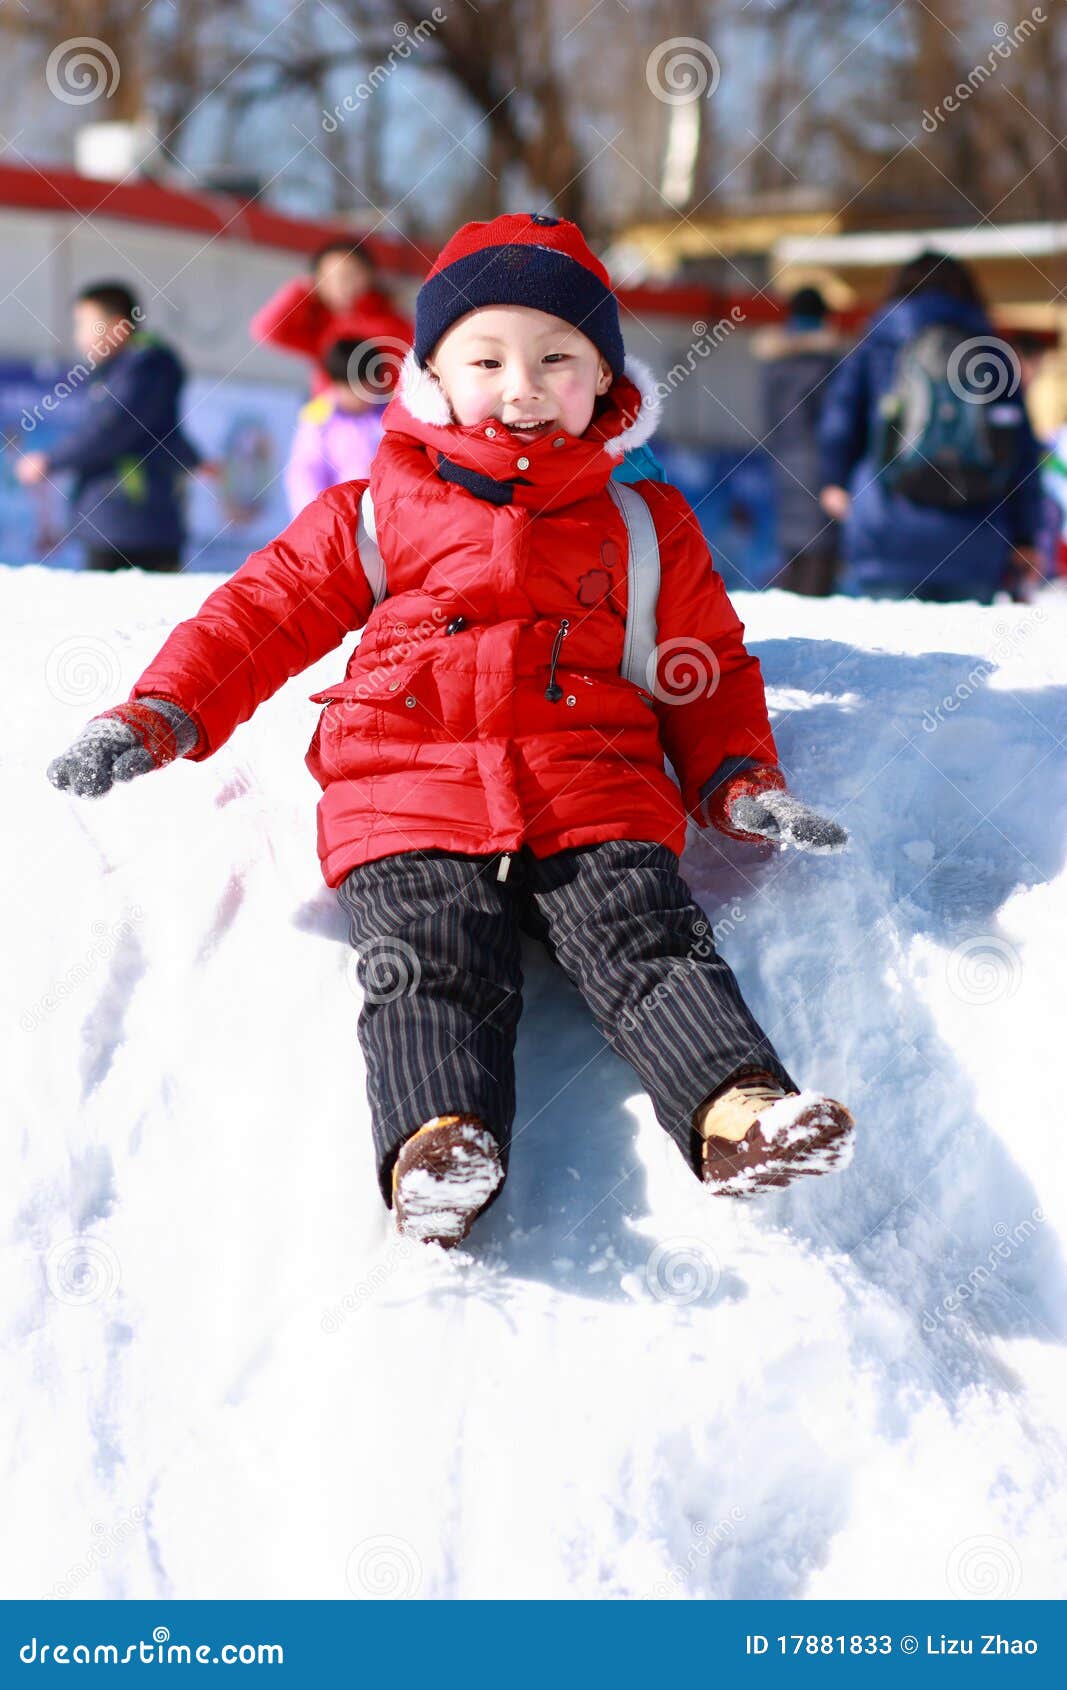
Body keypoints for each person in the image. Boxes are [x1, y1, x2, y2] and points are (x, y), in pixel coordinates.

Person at [46, 213, 856, 1249]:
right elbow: (257, 616)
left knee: (650, 941)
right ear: (430, 375)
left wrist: (739, 777)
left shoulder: (643, 522)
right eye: (486, 359)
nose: (520, 388)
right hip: (406, 786)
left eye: (556, 359)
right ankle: (440, 1139)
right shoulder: (374, 510)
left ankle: (737, 1114)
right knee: (426, 958)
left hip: (588, 786)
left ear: (605, 383)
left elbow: (703, 670)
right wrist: (160, 711)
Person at [818, 250, 1044, 603]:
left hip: (886, 532)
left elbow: (839, 419)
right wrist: (1026, 536)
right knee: (967, 656)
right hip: (975, 541)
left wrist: (833, 481)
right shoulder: (991, 350)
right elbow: (1022, 450)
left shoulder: (879, 341)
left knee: (883, 653)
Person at [15, 281, 202, 573]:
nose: (79, 336)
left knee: (142, 615)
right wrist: (195, 458)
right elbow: (164, 434)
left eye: (84, 324)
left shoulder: (146, 367)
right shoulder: (118, 371)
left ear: (118, 326)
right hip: (115, 522)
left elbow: (112, 428)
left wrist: (50, 461)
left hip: (134, 524)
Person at [754, 286, 845, 596]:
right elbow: (838, 424)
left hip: (783, 467)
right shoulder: (829, 365)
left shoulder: (774, 364)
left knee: (792, 554)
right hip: (822, 469)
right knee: (820, 561)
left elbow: (769, 421)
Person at [250, 238, 412, 396]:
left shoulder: (395, 326)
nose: (342, 285)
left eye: (349, 275)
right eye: (329, 278)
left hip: (378, 418)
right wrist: (302, 289)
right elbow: (267, 330)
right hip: (330, 419)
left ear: (370, 274)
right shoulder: (320, 327)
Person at [284, 339, 388, 516]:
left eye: (372, 387)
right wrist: (316, 518)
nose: (367, 395)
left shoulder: (390, 413)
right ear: (339, 384)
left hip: (384, 513)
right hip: (340, 518)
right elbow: (305, 472)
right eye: (358, 388)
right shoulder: (319, 417)